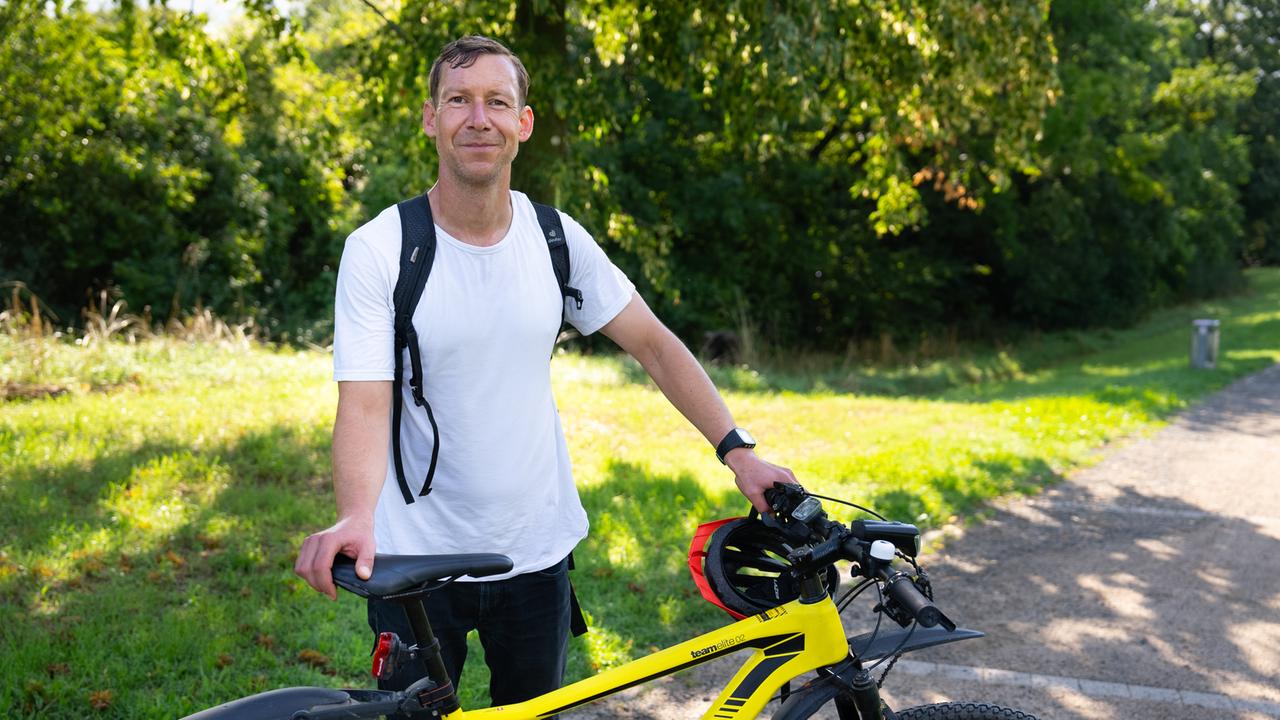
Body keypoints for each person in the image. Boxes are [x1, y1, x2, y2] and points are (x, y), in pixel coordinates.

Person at [294, 34, 797, 707]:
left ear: (523, 122)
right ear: (431, 118)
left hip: (536, 554)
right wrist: (356, 515)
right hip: (415, 559)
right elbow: (363, 401)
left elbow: (654, 344)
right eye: (459, 101)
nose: (479, 119)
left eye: (497, 102)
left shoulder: (556, 238)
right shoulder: (381, 249)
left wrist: (739, 452)